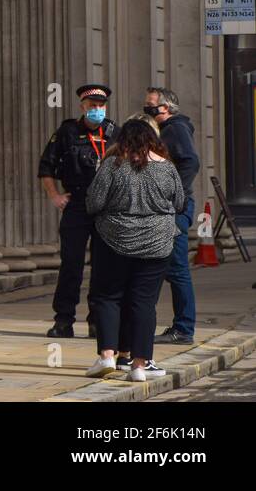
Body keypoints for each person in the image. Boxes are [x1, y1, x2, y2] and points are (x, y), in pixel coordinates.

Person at [83, 118, 186, 381]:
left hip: (114, 240)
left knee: (108, 297)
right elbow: (180, 203)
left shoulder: (112, 165)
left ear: (123, 141)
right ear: (153, 140)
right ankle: (139, 366)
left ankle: (107, 356)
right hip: (156, 243)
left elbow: (93, 203)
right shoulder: (167, 167)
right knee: (144, 303)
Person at [38, 83, 118, 339]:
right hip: (77, 204)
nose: (98, 110)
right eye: (93, 106)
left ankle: (97, 320)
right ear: (83, 107)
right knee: (71, 265)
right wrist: (55, 195)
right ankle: (63, 320)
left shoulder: (114, 132)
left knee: (103, 266)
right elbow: (46, 167)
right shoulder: (68, 132)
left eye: (101, 106)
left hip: (106, 208)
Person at [144, 87, 198, 345]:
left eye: (151, 105)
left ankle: (183, 329)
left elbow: (191, 162)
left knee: (177, 269)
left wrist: (173, 194)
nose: (147, 108)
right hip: (169, 208)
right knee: (166, 268)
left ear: (166, 108)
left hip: (174, 210)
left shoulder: (175, 128)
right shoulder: (167, 129)